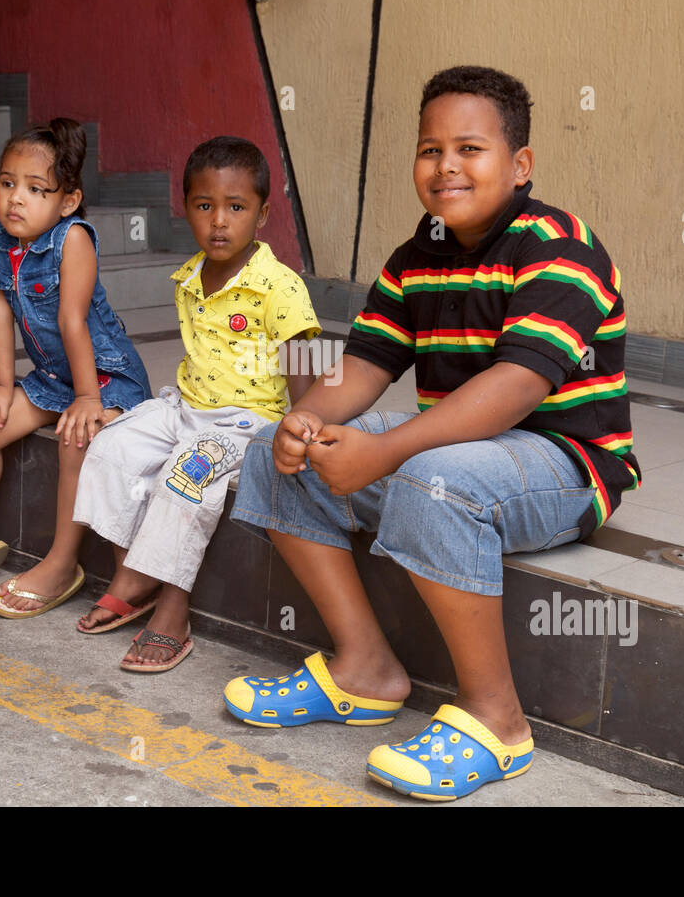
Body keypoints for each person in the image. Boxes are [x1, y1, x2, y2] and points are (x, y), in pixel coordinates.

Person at [225, 66, 641, 800]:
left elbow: (515, 390)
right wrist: (307, 421)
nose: (447, 166)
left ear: (521, 165)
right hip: (460, 445)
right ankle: (364, 670)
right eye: (430, 149)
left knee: (431, 475)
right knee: (269, 452)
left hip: (566, 464)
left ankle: (499, 722)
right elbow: (363, 364)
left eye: (470, 149)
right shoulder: (417, 256)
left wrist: (384, 452)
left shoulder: (559, 244)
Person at [71, 136, 320, 672]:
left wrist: (305, 431)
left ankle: (171, 609)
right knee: (112, 447)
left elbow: (308, 362)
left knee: (184, 478)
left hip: (247, 421)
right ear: (186, 208)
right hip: (186, 406)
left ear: (263, 213)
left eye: (236, 207)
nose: (219, 222)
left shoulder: (279, 285)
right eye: (204, 206)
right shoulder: (189, 277)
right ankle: (137, 578)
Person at [0, 118, 151, 618]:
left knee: (77, 437)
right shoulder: (0, 243)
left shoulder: (74, 239)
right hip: (53, 378)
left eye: (34, 189)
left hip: (106, 376)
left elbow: (73, 321)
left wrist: (89, 398)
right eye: (7, 183)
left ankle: (61, 563)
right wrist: (3, 386)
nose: (15, 200)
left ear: (67, 201)